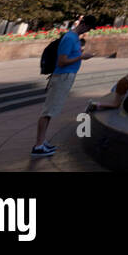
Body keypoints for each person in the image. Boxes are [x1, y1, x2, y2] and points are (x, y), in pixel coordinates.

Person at [33, 15, 95, 156]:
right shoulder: (70, 38)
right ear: (84, 25)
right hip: (62, 77)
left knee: (51, 111)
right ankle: (38, 145)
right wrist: (81, 57)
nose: (88, 31)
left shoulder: (74, 39)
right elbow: (61, 62)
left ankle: (42, 142)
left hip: (66, 77)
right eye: (89, 28)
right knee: (48, 111)